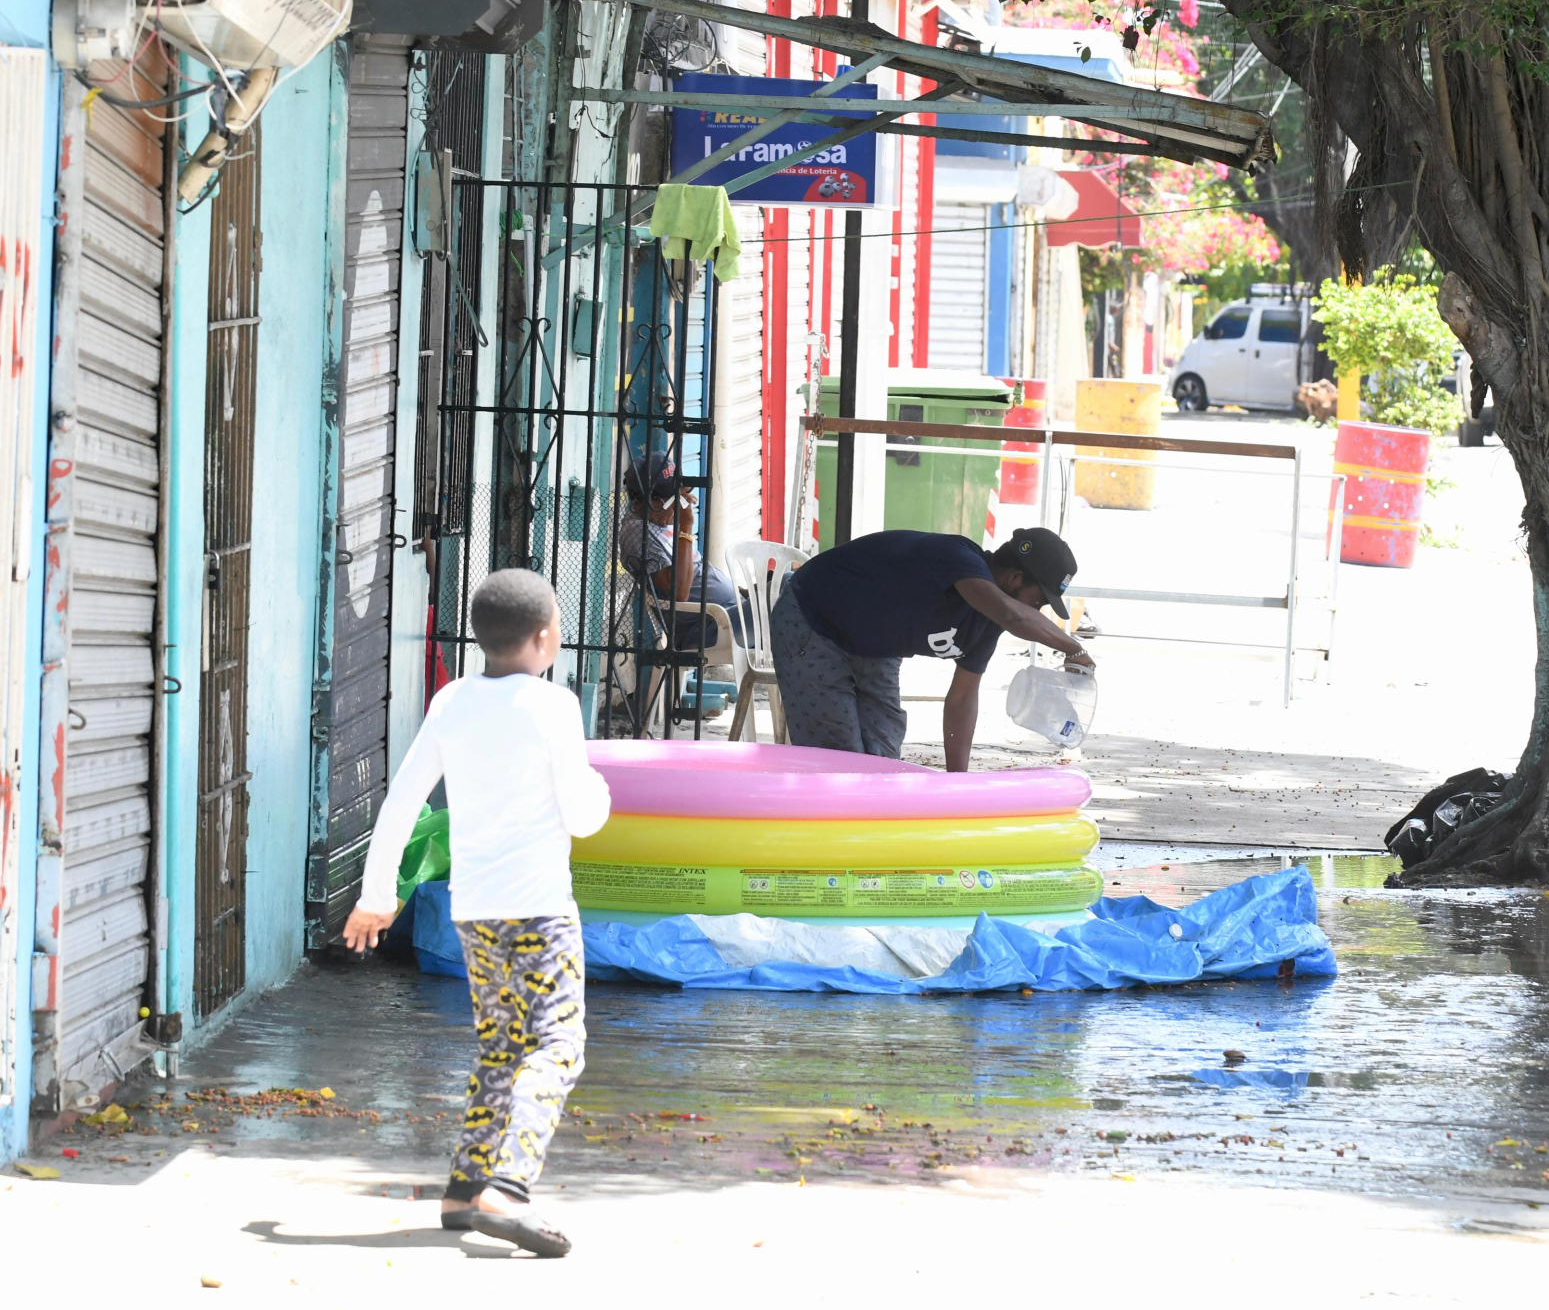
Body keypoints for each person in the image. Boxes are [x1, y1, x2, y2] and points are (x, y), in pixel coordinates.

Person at [343, 569, 610, 1258]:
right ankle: (508, 1189)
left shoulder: (451, 702)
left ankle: (464, 1191)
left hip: (476, 913)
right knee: (556, 1046)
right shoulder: (553, 707)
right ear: (546, 636)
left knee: (500, 1046)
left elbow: (403, 802)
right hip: (542, 911)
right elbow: (582, 818)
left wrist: (378, 895)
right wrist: (599, 789)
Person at [770, 527, 1093, 771]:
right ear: (1014, 578)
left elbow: (962, 697)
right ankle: (832, 849)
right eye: (1038, 601)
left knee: (883, 755)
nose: (1037, 612)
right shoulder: (956, 558)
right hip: (814, 620)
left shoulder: (988, 622)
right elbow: (1013, 614)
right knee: (838, 755)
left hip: (875, 646)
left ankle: (872, 844)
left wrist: (957, 781)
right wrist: (1073, 649)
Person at [616, 450, 747, 642]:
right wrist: (685, 527)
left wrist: (744, 592)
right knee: (784, 603)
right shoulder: (638, 533)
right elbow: (679, 592)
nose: (685, 502)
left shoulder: (661, 519)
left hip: (729, 609)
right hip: (707, 626)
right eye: (676, 497)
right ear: (655, 502)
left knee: (786, 583)